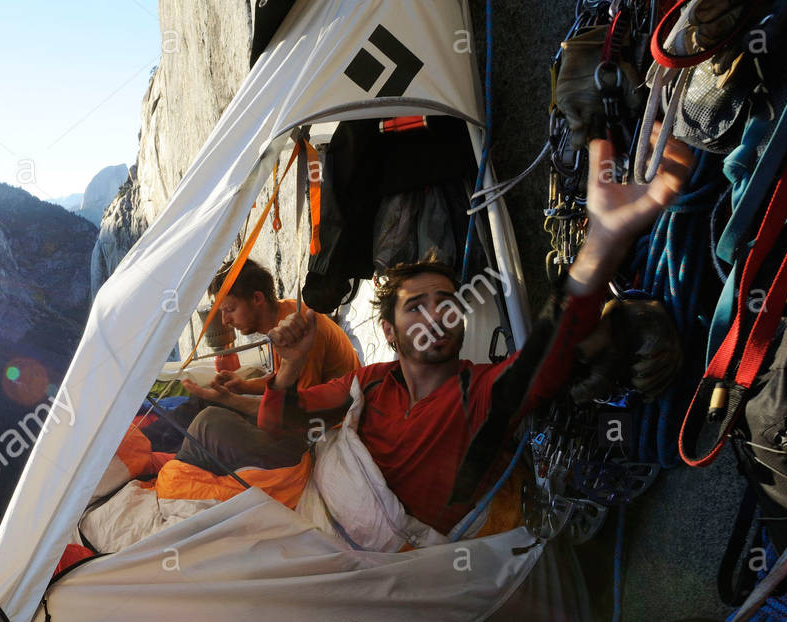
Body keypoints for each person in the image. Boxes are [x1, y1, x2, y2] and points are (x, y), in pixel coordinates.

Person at [260, 133, 693, 534]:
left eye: (446, 302)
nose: (436, 314)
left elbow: (543, 359)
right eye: (416, 306)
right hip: (326, 531)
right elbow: (277, 423)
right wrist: (292, 365)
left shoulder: (481, 393)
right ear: (389, 332)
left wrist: (603, 241)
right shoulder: (368, 385)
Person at [156, 258, 360, 473]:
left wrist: (233, 401)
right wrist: (242, 385)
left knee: (209, 422)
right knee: (205, 400)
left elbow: (294, 414)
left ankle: (167, 464)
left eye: (230, 309)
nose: (225, 320)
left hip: (320, 432)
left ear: (257, 298)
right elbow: (282, 378)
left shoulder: (297, 332)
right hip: (302, 416)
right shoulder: (283, 316)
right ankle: (158, 448)